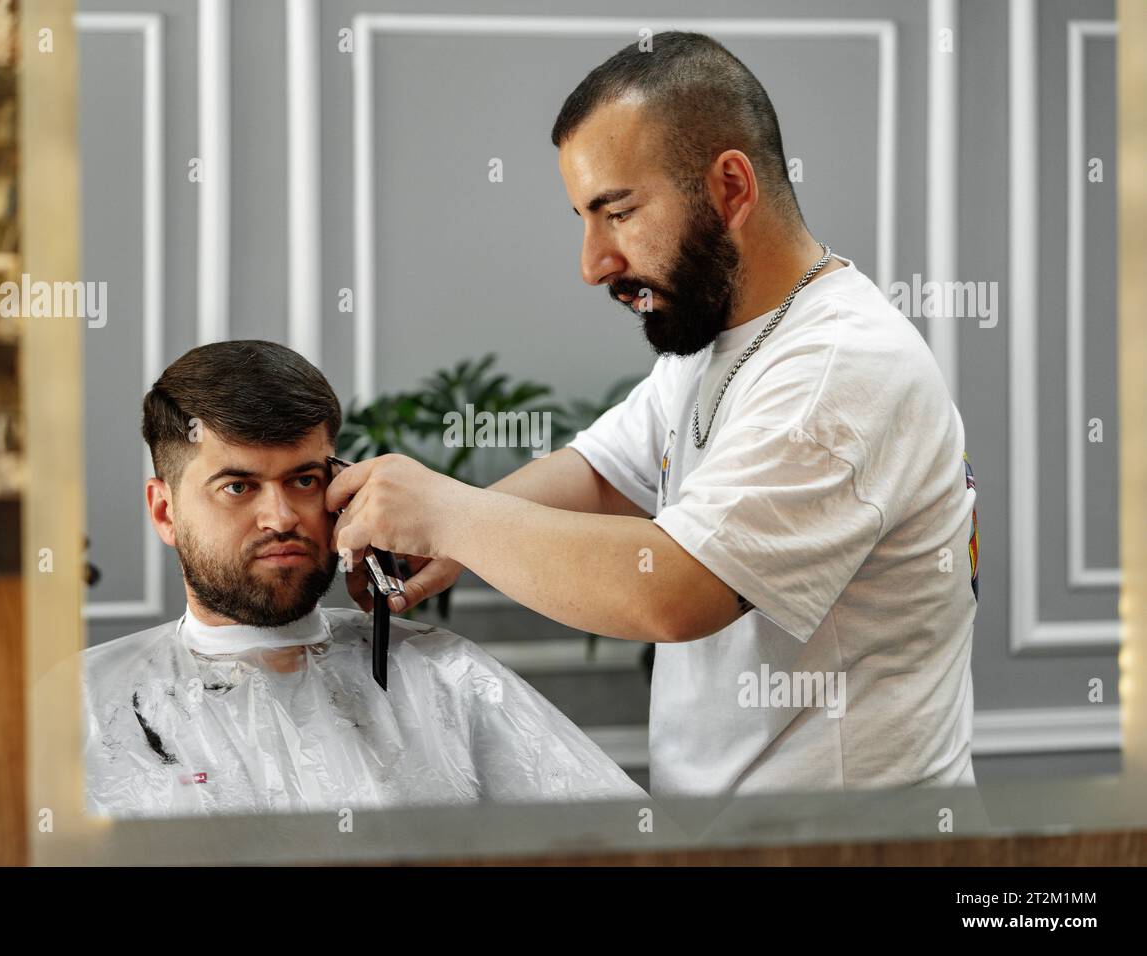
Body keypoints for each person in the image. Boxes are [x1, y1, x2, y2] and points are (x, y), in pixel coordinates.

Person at [327, 33, 980, 798]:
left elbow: (673, 589)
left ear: (731, 188)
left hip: (853, 847)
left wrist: (449, 518)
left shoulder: (839, 369)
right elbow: (604, 475)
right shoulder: (712, 337)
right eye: (583, 216)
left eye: (618, 212)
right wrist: (454, 539)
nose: (592, 262)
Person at [79, 340, 644, 818]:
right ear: (164, 511)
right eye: (238, 487)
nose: (281, 517)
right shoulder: (86, 707)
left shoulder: (446, 678)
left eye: (303, 480)